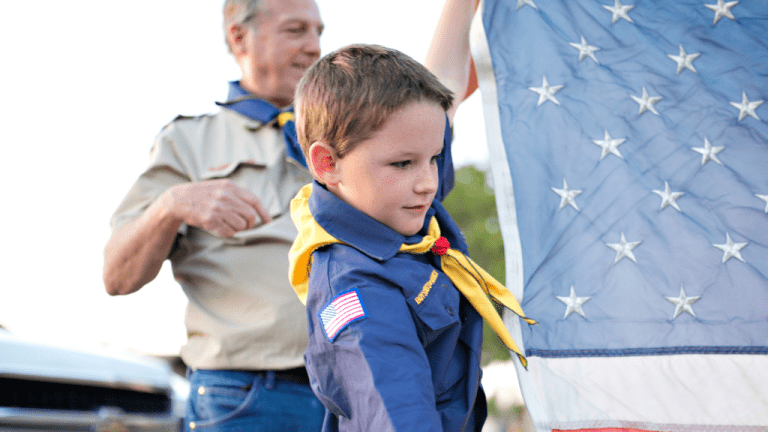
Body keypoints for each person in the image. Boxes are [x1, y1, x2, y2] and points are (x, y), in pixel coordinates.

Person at [102, 0, 327, 430]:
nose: (314, 46)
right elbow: (117, 275)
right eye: (296, 30)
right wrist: (172, 205)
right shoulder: (188, 141)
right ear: (239, 37)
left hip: (351, 392)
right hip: (248, 398)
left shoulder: (342, 141)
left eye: (319, 31)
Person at [287, 44, 535, 432]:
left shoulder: (402, 206)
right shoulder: (357, 291)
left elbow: (445, 86)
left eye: (435, 157)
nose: (429, 182)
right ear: (328, 164)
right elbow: (399, 417)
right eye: (403, 163)